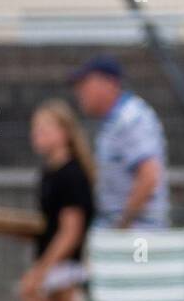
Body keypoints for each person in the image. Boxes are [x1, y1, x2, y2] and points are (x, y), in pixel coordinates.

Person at [69, 55, 170, 229]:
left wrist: (122, 226)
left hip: (137, 236)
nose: (79, 92)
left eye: (85, 84)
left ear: (108, 83)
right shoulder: (113, 121)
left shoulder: (131, 119)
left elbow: (149, 175)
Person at [20, 99, 96, 301]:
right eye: (35, 129)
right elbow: (50, 225)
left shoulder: (71, 174)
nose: (36, 135)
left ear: (64, 133)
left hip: (66, 267)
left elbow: (71, 232)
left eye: (44, 129)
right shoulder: (49, 172)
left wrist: (41, 271)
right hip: (54, 265)